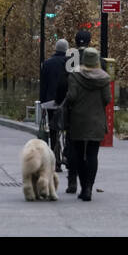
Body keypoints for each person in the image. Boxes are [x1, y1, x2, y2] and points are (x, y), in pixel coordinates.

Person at [62, 46, 111, 201]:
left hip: (78, 120)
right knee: (92, 154)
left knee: (78, 155)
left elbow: (71, 97)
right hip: (96, 121)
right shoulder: (104, 78)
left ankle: (83, 187)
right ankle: (89, 187)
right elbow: (107, 99)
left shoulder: (75, 76)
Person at [40, 38, 71, 172]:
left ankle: (55, 161)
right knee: (69, 130)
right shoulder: (70, 63)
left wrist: (42, 104)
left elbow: (43, 86)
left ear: (56, 49)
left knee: (54, 131)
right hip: (67, 102)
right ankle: (67, 155)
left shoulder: (47, 63)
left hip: (51, 103)